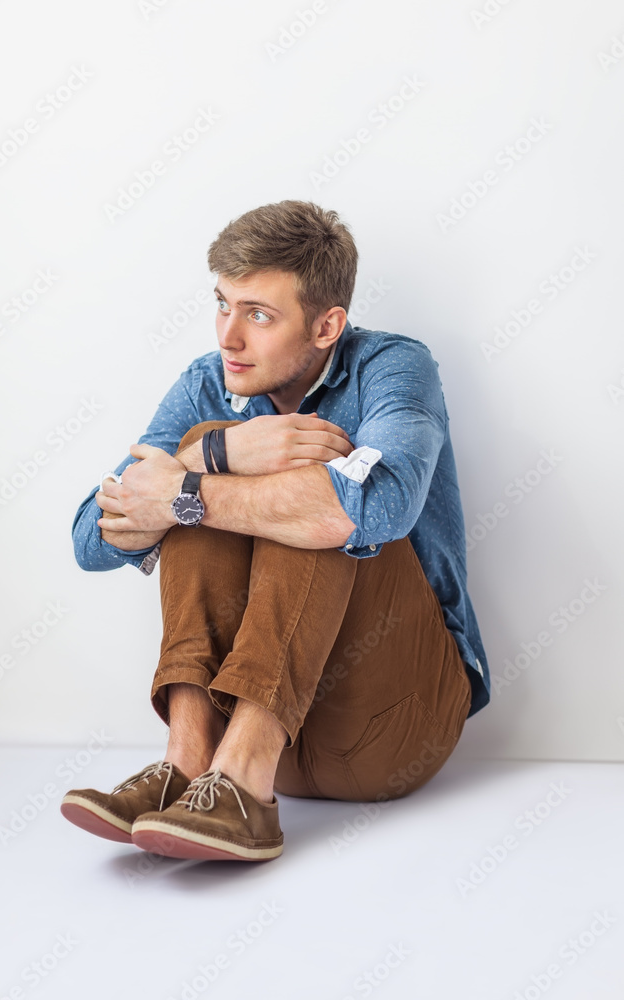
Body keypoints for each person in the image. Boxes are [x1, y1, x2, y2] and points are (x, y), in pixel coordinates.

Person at [60, 199, 490, 863]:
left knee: (318, 472)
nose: (228, 337)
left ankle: (241, 784)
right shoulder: (208, 382)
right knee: (203, 448)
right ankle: (188, 766)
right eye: (222, 304)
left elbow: (373, 510)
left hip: (392, 728)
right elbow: (92, 539)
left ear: (327, 325)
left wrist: (183, 489)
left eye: (258, 314)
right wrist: (212, 459)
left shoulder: (394, 367)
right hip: (263, 733)